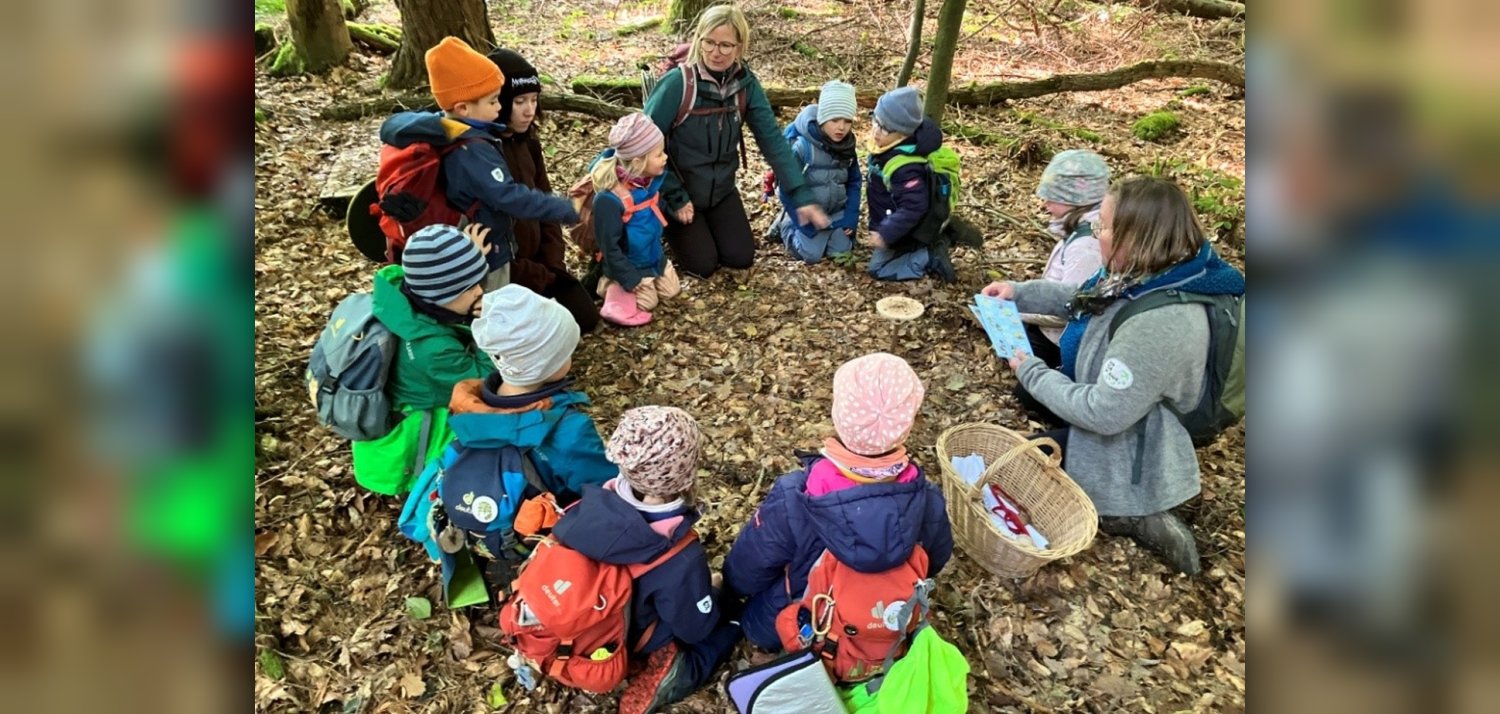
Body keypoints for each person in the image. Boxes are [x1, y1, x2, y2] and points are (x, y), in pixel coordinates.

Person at [982, 176, 1246, 574]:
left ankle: (1137, 511)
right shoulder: (1149, 269)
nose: (1095, 232)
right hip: (1117, 396)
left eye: (1102, 225)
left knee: (1025, 461)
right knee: (1030, 398)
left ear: (1135, 237)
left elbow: (1105, 414)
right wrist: (1019, 292)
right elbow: (1082, 300)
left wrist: (1032, 370)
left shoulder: (1162, 323)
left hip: (1144, 427)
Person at [722, 352, 953, 651]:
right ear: (909, 424)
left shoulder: (797, 496)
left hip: (795, 622)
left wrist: (728, 591)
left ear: (838, 415)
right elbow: (934, 561)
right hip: (879, 628)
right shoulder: (928, 500)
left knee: (756, 623)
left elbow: (749, 565)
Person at [550, 407, 741, 714]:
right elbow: (695, 629)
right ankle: (667, 669)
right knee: (728, 625)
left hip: (578, 621)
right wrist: (715, 594)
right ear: (686, 476)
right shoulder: (680, 556)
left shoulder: (586, 506)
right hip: (635, 636)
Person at [642, 4, 831, 278]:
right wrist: (673, 195)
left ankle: (706, 225)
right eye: (709, 43)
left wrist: (801, 194)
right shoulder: (678, 84)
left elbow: (773, 142)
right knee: (703, 265)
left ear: (739, 46)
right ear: (699, 40)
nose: (716, 53)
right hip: (679, 191)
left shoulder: (745, 85)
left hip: (721, 191)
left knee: (740, 257)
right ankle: (670, 226)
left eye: (726, 45)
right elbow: (642, 145)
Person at [379, 37, 578, 291]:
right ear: (462, 108)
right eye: (494, 101)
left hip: (495, 250)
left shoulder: (459, 131)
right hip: (489, 254)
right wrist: (567, 209)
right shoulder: (470, 148)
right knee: (494, 314)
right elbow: (507, 196)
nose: (499, 106)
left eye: (534, 100)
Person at [351, 223, 493, 495]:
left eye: (479, 281)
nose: (479, 292)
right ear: (440, 296)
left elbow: (442, 276)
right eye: (468, 287)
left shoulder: (406, 290)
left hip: (411, 394)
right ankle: (425, 484)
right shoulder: (432, 350)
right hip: (409, 432)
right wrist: (487, 324)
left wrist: (464, 261)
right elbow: (482, 380)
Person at [484, 48, 600, 331]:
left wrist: (553, 264)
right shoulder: (481, 154)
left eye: (534, 100)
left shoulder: (529, 144)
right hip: (507, 273)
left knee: (585, 319)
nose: (529, 110)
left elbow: (547, 205)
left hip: (543, 265)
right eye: (519, 101)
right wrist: (534, 274)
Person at [1013, 149, 1111, 424]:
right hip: (1047, 326)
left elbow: (1073, 308)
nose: (1044, 203)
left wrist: (1019, 314)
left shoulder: (1087, 247)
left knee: (1026, 391)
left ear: (1074, 200)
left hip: (1060, 339)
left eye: (1052, 198)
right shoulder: (1078, 229)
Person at [587, 113, 682, 327]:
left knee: (671, 291)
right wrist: (629, 277)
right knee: (648, 302)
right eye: (659, 154)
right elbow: (609, 247)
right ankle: (612, 287)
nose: (665, 158)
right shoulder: (609, 200)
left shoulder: (650, 182)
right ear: (638, 162)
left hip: (652, 257)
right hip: (630, 264)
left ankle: (640, 282)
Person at [863, 86, 950, 281]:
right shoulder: (887, 149)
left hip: (909, 231)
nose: (877, 130)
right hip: (894, 224)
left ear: (902, 135)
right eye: (875, 121)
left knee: (878, 270)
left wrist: (885, 233)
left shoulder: (905, 168)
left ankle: (928, 257)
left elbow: (913, 207)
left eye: (885, 128)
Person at [773, 80, 862, 264]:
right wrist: (802, 224)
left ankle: (829, 235)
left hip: (836, 212)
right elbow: (786, 188)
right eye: (835, 120)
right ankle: (785, 225)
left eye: (847, 121)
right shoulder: (802, 147)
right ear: (823, 118)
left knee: (841, 252)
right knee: (810, 255)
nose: (841, 127)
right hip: (807, 212)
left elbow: (854, 182)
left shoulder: (848, 147)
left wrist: (851, 216)